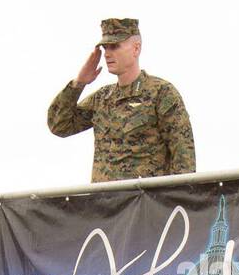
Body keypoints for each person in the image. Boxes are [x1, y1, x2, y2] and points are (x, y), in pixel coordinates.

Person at [47, 18, 195, 183]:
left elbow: (184, 161)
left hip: (144, 204)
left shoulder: (161, 93)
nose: (108, 54)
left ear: (136, 48)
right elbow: (59, 125)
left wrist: (168, 203)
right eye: (105, 48)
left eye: (115, 46)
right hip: (105, 204)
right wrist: (78, 83)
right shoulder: (102, 98)